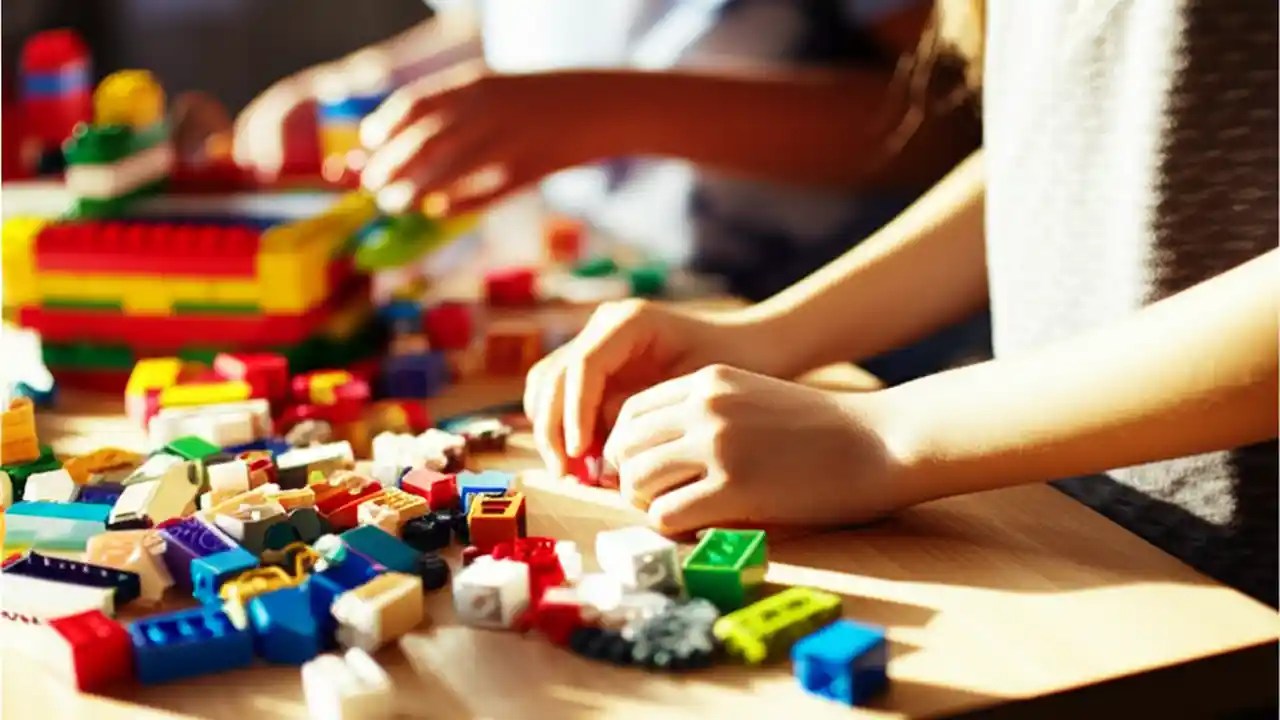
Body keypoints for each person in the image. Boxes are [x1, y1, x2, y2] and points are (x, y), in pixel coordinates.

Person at [480, 0, 1272, 604]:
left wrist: (884, 436)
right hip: (1080, 535)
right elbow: (1059, 148)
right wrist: (771, 335)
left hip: (1242, 579)